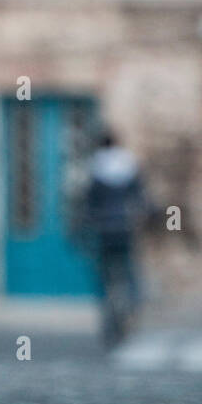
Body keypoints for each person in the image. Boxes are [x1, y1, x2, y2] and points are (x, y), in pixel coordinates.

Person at [83, 130, 147, 346]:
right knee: (128, 269)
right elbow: (140, 197)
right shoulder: (128, 165)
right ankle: (133, 301)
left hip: (104, 229)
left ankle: (107, 312)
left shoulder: (95, 168)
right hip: (124, 227)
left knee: (103, 275)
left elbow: (88, 203)